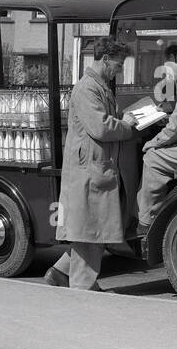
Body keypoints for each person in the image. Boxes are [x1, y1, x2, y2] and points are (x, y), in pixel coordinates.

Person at [45, 38, 136, 290]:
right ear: (104, 59)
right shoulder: (87, 89)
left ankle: (60, 273)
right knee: (90, 232)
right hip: (89, 173)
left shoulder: (99, 86)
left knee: (95, 230)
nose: (119, 69)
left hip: (96, 171)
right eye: (118, 64)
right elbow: (100, 127)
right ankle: (83, 289)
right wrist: (126, 125)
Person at [136, 45, 177, 237]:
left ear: (173, 58)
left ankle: (146, 221)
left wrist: (154, 142)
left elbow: (176, 126)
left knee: (151, 158)